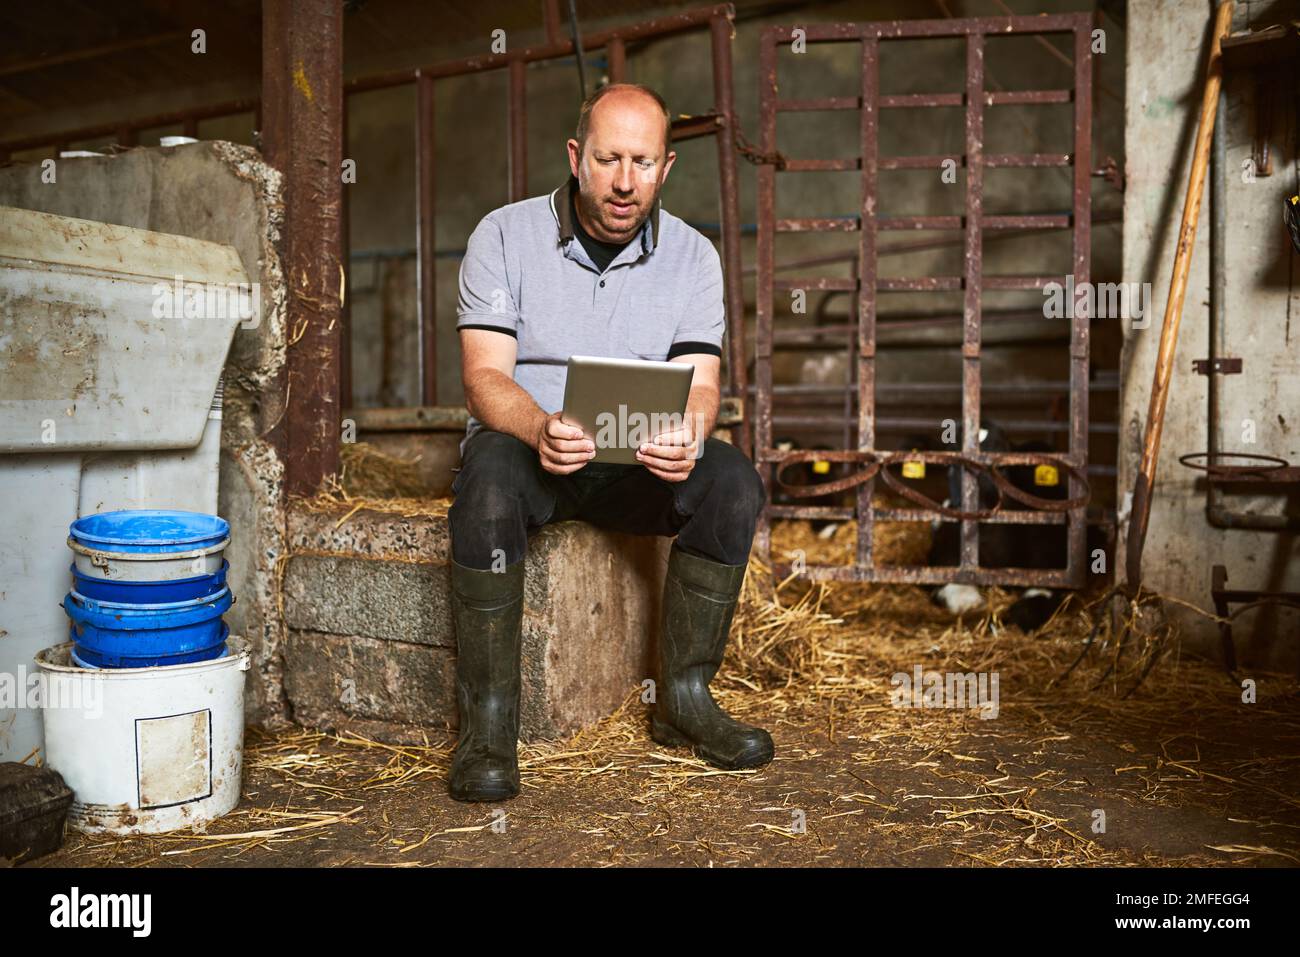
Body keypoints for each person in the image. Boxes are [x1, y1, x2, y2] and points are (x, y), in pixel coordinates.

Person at [446, 82, 773, 802]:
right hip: (534, 451)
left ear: (666, 167)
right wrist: (539, 426)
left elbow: (702, 384)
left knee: (732, 481)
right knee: (488, 476)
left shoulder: (694, 256)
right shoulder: (503, 235)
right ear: (576, 157)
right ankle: (488, 730)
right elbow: (483, 378)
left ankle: (683, 699)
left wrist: (689, 432)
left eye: (643, 162)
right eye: (608, 159)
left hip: (635, 463)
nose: (625, 182)